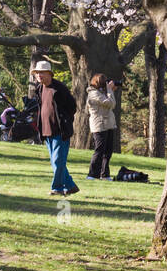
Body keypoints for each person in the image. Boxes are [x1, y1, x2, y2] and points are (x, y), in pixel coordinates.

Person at [32, 60, 78, 196]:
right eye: (37, 73)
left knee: (58, 161)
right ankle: (70, 186)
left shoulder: (59, 88)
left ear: (49, 74)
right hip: (46, 131)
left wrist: (65, 120)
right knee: (55, 162)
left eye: (42, 73)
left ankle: (57, 188)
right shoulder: (39, 89)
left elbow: (72, 106)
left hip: (60, 131)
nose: (39, 75)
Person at [85, 73, 119, 180]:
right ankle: (92, 174)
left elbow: (110, 103)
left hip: (108, 125)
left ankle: (104, 174)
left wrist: (110, 90)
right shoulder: (93, 93)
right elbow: (111, 104)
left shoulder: (101, 92)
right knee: (99, 150)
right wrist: (110, 90)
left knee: (108, 152)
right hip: (99, 125)